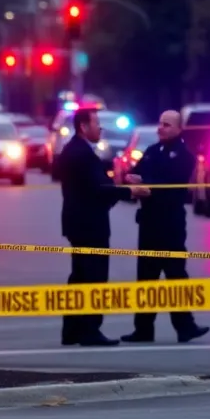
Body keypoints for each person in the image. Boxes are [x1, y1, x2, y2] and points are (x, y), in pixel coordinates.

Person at [57, 107, 147, 347]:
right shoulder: (82, 154)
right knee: (93, 277)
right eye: (96, 123)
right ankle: (90, 330)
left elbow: (96, 184)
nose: (101, 128)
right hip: (89, 225)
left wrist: (119, 183)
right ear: (83, 127)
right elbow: (98, 190)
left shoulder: (75, 150)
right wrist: (129, 191)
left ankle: (72, 330)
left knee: (79, 277)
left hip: (79, 223)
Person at [120, 109, 210, 344]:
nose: (161, 128)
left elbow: (171, 184)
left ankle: (185, 326)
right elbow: (135, 173)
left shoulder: (184, 156)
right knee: (146, 277)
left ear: (179, 129)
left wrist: (146, 184)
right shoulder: (152, 151)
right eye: (160, 123)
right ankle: (143, 329)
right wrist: (131, 178)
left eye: (167, 124)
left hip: (170, 223)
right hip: (149, 222)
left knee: (175, 275)